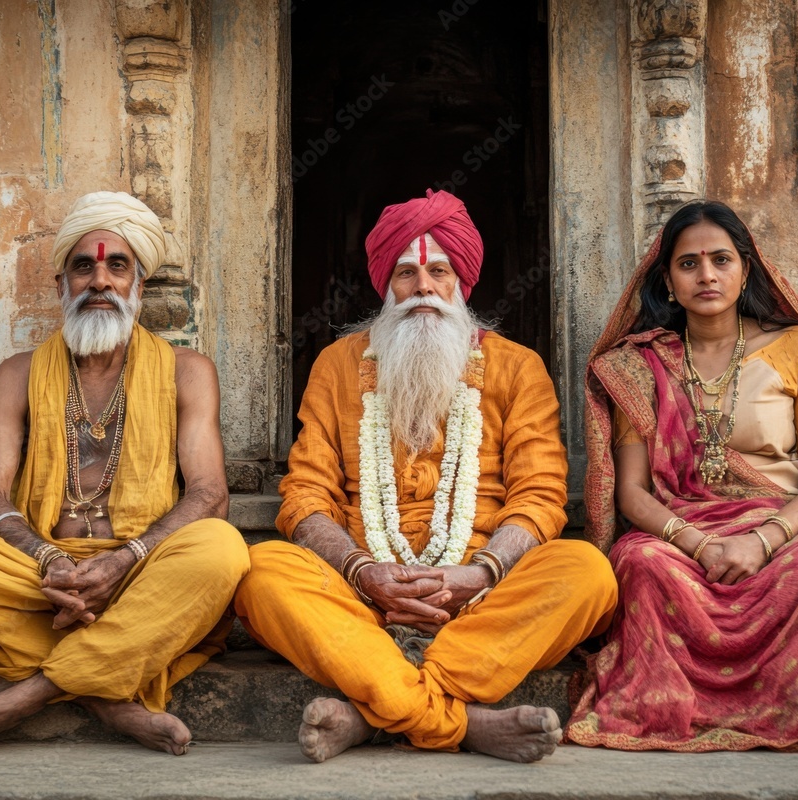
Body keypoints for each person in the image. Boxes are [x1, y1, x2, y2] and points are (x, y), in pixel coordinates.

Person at [233, 189, 618, 763]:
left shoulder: (516, 367)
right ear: (385, 285)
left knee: (588, 573)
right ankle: (459, 724)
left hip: (483, 592)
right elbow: (306, 492)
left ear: (462, 281)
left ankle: (374, 710)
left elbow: (539, 496)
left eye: (438, 271)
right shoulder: (340, 364)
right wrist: (364, 571)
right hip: (363, 593)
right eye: (406, 273)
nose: (423, 289)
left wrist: (477, 573)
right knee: (259, 573)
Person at [0, 191, 250, 760]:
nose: (100, 281)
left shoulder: (188, 372)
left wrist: (122, 559)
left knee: (221, 549)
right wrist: (49, 560)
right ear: (61, 284)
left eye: (117, 265)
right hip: (42, 580)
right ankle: (109, 699)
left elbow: (210, 495)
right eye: (84, 266)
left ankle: (24, 698)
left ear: (138, 285)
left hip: (142, 573)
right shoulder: (17, 374)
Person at [565, 199, 798, 751]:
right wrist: (698, 543)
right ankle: (673, 707)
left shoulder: (797, 348)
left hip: (784, 529)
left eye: (721, 259)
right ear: (667, 280)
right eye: (688, 263)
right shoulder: (640, 363)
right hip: (681, 533)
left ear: (746, 269)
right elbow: (632, 491)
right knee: (639, 562)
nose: (707, 274)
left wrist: (761, 541)